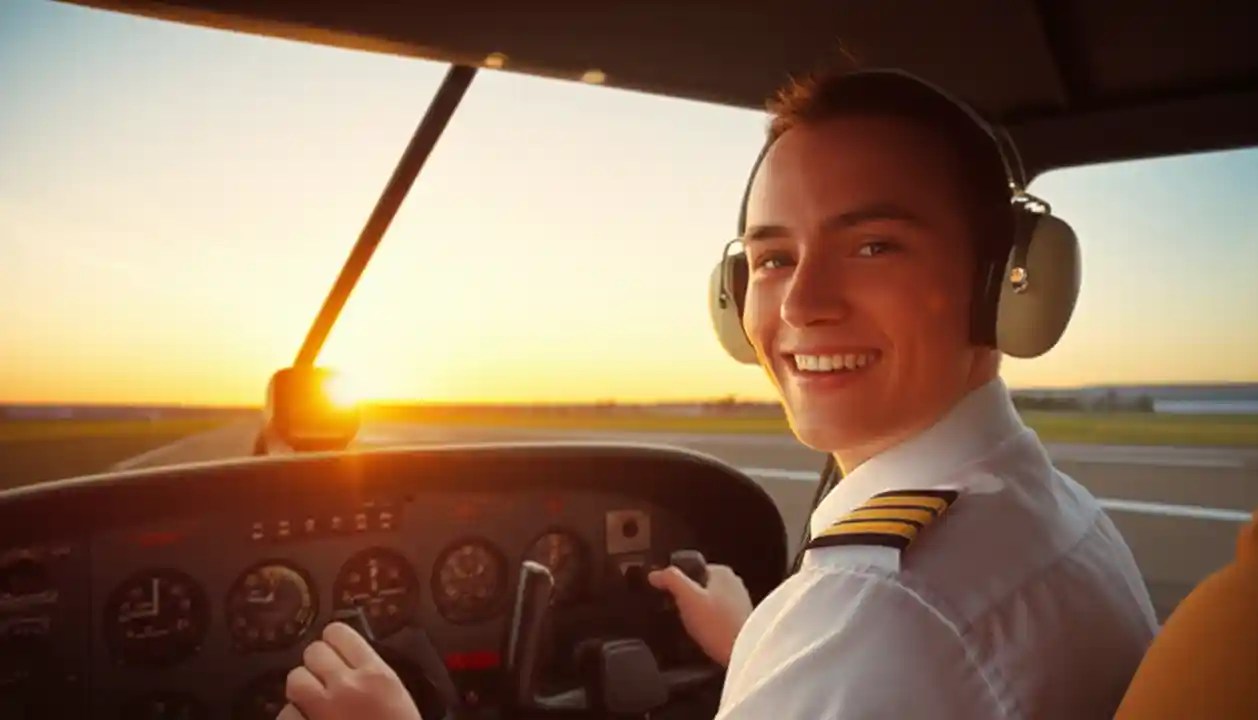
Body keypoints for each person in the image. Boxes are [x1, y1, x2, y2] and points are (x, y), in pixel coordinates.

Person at [274, 69, 1159, 720]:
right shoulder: (1055, 516)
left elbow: (899, 650)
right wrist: (767, 649)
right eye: (774, 258)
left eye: (874, 245)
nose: (803, 304)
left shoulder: (882, 611)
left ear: (1004, 280)